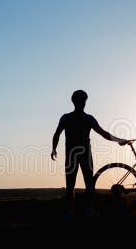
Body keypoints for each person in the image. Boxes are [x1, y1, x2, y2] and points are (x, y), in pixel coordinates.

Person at [51, 90, 128, 218]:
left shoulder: (70, 118)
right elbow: (103, 134)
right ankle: (81, 210)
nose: (83, 103)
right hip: (80, 154)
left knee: (79, 183)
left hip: (74, 154)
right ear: (82, 102)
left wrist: (54, 149)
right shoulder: (84, 118)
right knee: (79, 183)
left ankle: (78, 210)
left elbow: (57, 134)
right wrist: (53, 148)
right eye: (82, 100)